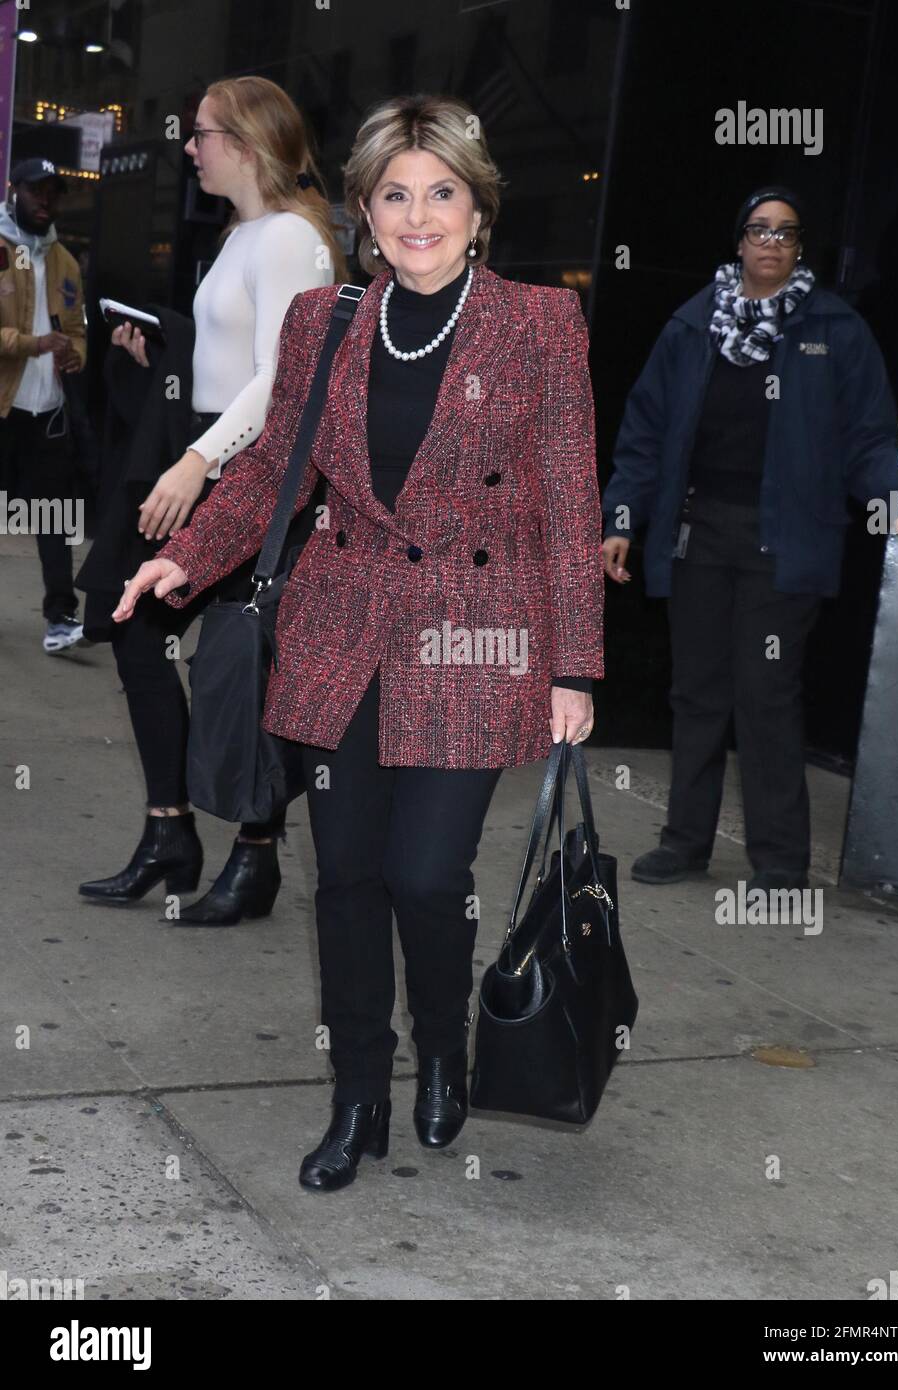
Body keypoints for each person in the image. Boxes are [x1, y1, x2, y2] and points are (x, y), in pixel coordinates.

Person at [114, 93, 604, 1192]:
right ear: (366, 208)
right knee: (345, 880)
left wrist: (575, 664)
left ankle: (443, 1048)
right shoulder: (324, 321)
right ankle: (358, 1100)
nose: (417, 215)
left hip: (474, 640)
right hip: (344, 631)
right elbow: (273, 475)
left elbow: (573, 504)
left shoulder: (538, 326)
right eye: (395, 194)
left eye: (442, 194)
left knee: (427, 878)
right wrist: (188, 558)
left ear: (478, 211)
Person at [601, 186, 898, 892]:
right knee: (697, 692)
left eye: (786, 233)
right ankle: (684, 843)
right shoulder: (691, 326)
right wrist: (621, 518)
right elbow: (643, 434)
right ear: (738, 242)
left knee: (766, 691)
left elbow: (868, 443)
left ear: (798, 248)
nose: (770, 242)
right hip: (698, 532)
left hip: (783, 541)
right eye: (758, 229)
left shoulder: (836, 331)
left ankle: (781, 860)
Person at [76, 76, 344, 924]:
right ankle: (170, 830)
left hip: (258, 479)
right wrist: (159, 347)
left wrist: (197, 459)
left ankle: (256, 853)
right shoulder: (242, 234)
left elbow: (283, 377)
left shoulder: (291, 240)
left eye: (201, 134)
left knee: (245, 665)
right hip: (214, 462)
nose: (188, 148)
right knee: (136, 629)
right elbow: (230, 355)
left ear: (249, 140)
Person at [0, 158, 87, 654]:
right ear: (14, 190)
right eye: (35, 190)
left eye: (53, 192)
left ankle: (61, 618)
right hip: (4, 408)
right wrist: (32, 344)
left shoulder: (66, 263)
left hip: (49, 412)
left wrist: (77, 354)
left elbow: (77, 331)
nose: (45, 200)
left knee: (52, 517)